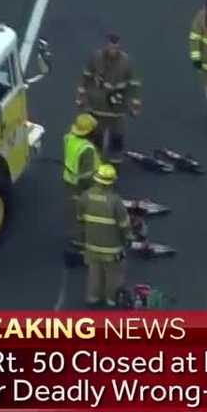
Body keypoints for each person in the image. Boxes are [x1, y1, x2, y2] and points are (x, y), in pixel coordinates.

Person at [76, 34, 141, 165]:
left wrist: (135, 103)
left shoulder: (126, 62)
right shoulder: (96, 58)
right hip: (97, 105)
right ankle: (95, 159)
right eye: (111, 47)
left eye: (115, 48)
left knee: (117, 135)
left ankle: (115, 161)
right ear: (106, 46)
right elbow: (86, 76)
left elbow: (134, 83)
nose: (113, 50)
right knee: (97, 134)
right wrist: (81, 97)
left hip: (117, 107)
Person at [78, 164, 134, 307]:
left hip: (91, 246)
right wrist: (128, 238)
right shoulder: (115, 201)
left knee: (94, 273)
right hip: (112, 249)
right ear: (112, 182)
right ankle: (111, 299)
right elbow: (124, 225)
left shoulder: (85, 196)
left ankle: (93, 298)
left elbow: (80, 219)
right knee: (113, 275)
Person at [62, 113, 99, 263]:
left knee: (76, 212)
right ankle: (83, 242)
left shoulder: (68, 138)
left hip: (69, 181)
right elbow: (87, 174)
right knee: (85, 214)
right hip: (82, 186)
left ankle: (77, 238)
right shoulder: (87, 149)